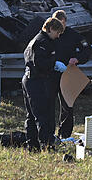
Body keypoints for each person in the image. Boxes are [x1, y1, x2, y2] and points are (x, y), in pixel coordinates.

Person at [23, 17, 69, 151]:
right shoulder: (41, 42)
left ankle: (32, 144)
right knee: (43, 114)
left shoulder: (37, 40)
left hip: (30, 79)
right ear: (51, 29)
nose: (58, 36)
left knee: (32, 115)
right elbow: (40, 63)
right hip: (36, 81)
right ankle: (46, 144)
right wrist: (53, 64)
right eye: (57, 33)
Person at [52, 9, 92, 140]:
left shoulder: (72, 35)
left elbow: (87, 49)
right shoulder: (48, 34)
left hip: (67, 73)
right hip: (51, 72)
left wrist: (78, 59)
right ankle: (49, 132)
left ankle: (65, 133)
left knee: (67, 105)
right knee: (48, 104)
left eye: (62, 24)